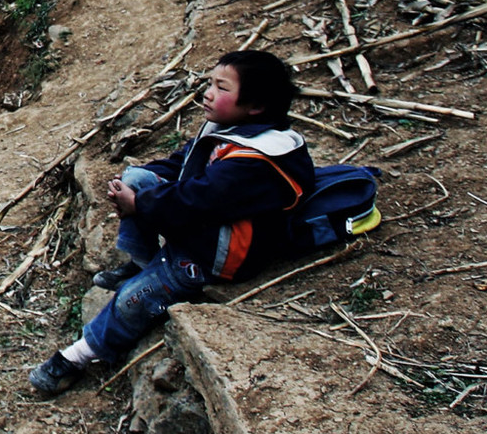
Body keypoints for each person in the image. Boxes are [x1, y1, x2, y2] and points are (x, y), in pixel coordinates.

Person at [29, 49, 315, 394]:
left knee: (134, 299)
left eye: (221, 88)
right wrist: (143, 182)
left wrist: (139, 204)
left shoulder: (255, 161)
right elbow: (185, 165)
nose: (208, 92)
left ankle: (77, 356)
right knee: (138, 178)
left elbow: (195, 200)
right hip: (206, 221)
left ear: (255, 105)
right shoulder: (230, 129)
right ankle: (143, 261)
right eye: (210, 83)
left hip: (218, 253)